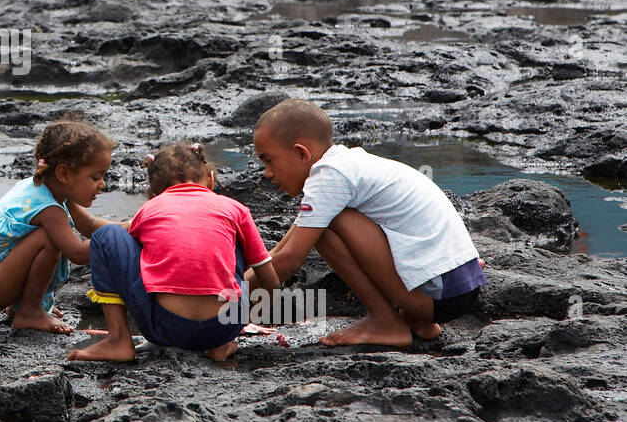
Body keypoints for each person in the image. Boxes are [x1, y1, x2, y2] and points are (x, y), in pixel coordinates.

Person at [253, 98, 486, 347]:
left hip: (440, 294)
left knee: (328, 224)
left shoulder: (330, 176)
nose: (266, 172)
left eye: (268, 160)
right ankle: (418, 322)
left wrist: (224, 299)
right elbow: (279, 252)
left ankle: (385, 322)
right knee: (322, 222)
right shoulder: (349, 164)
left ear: (301, 152)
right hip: (459, 289)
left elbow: (289, 260)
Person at [70, 142, 279, 363]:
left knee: (107, 236)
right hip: (224, 326)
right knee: (231, 239)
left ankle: (119, 340)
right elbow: (271, 282)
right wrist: (240, 321)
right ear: (210, 178)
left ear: (155, 192)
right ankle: (220, 343)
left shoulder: (149, 209)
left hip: (166, 328)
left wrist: (66, 201)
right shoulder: (235, 209)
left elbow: (106, 235)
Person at [0, 120, 116, 334]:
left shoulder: (53, 190)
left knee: (47, 237)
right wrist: (115, 239)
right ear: (63, 174)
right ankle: (30, 312)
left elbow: (91, 225)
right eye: (95, 177)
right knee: (48, 238)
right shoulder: (48, 208)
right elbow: (78, 253)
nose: (103, 184)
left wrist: (131, 227)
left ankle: (23, 306)